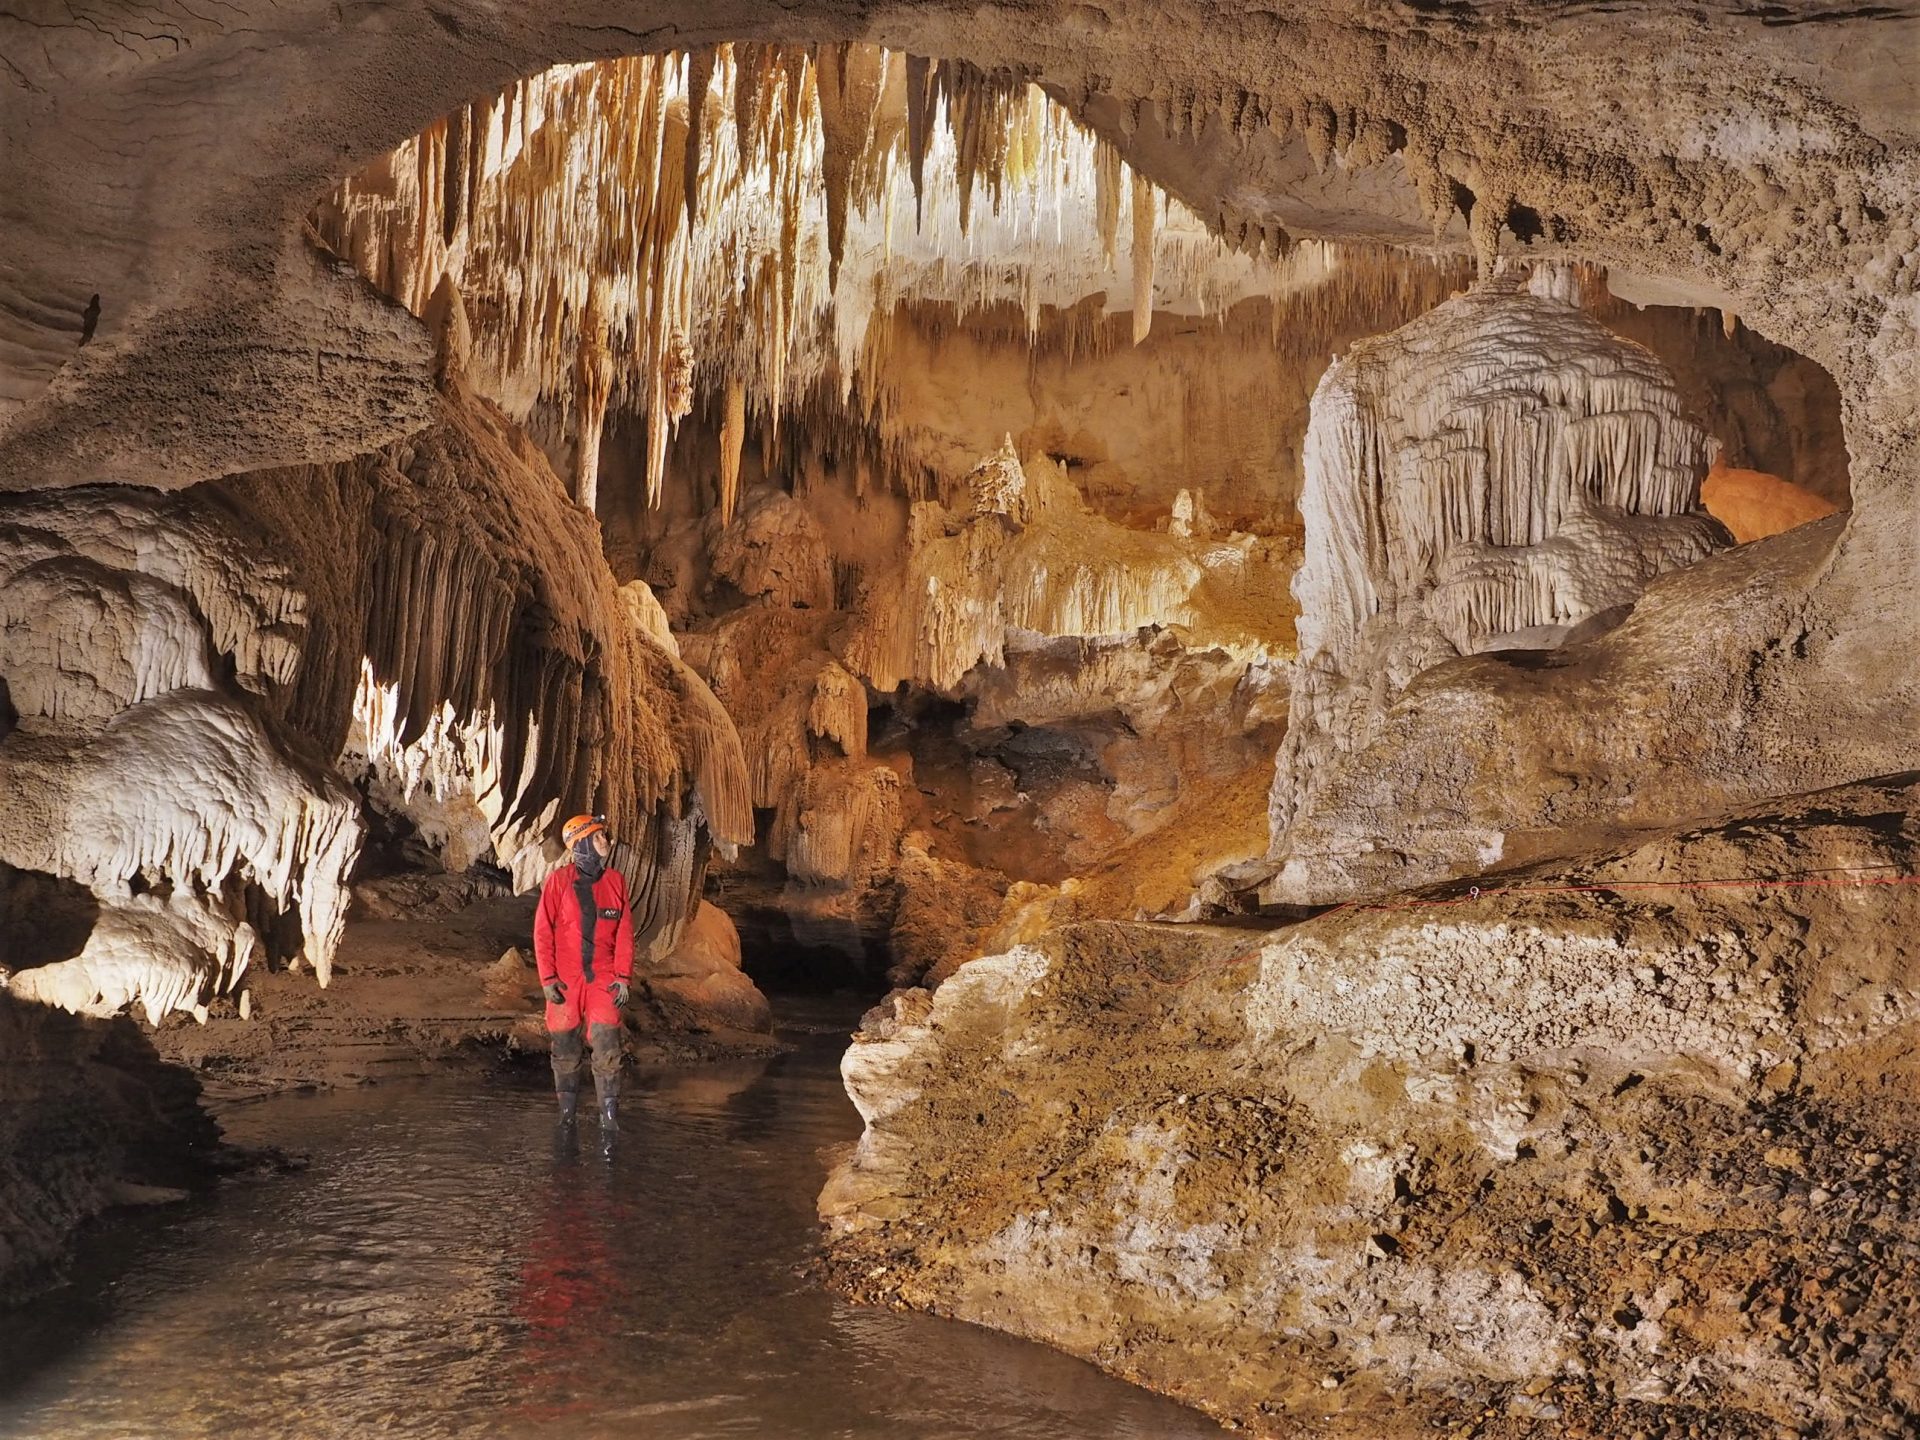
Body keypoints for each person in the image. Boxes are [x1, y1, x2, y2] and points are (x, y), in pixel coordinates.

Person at [533, 814, 633, 1134]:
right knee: (564, 1045)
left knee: (608, 1045)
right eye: (599, 837)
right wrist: (548, 978)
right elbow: (542, 932)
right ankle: (567, 1116)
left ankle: (609, 1118)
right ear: (582, 844)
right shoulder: (558, 882)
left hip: (604, 977)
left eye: (604, 836)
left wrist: (623, 977)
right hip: (566, 977)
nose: (607, 841)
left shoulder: (615, 881)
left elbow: (624, 934)